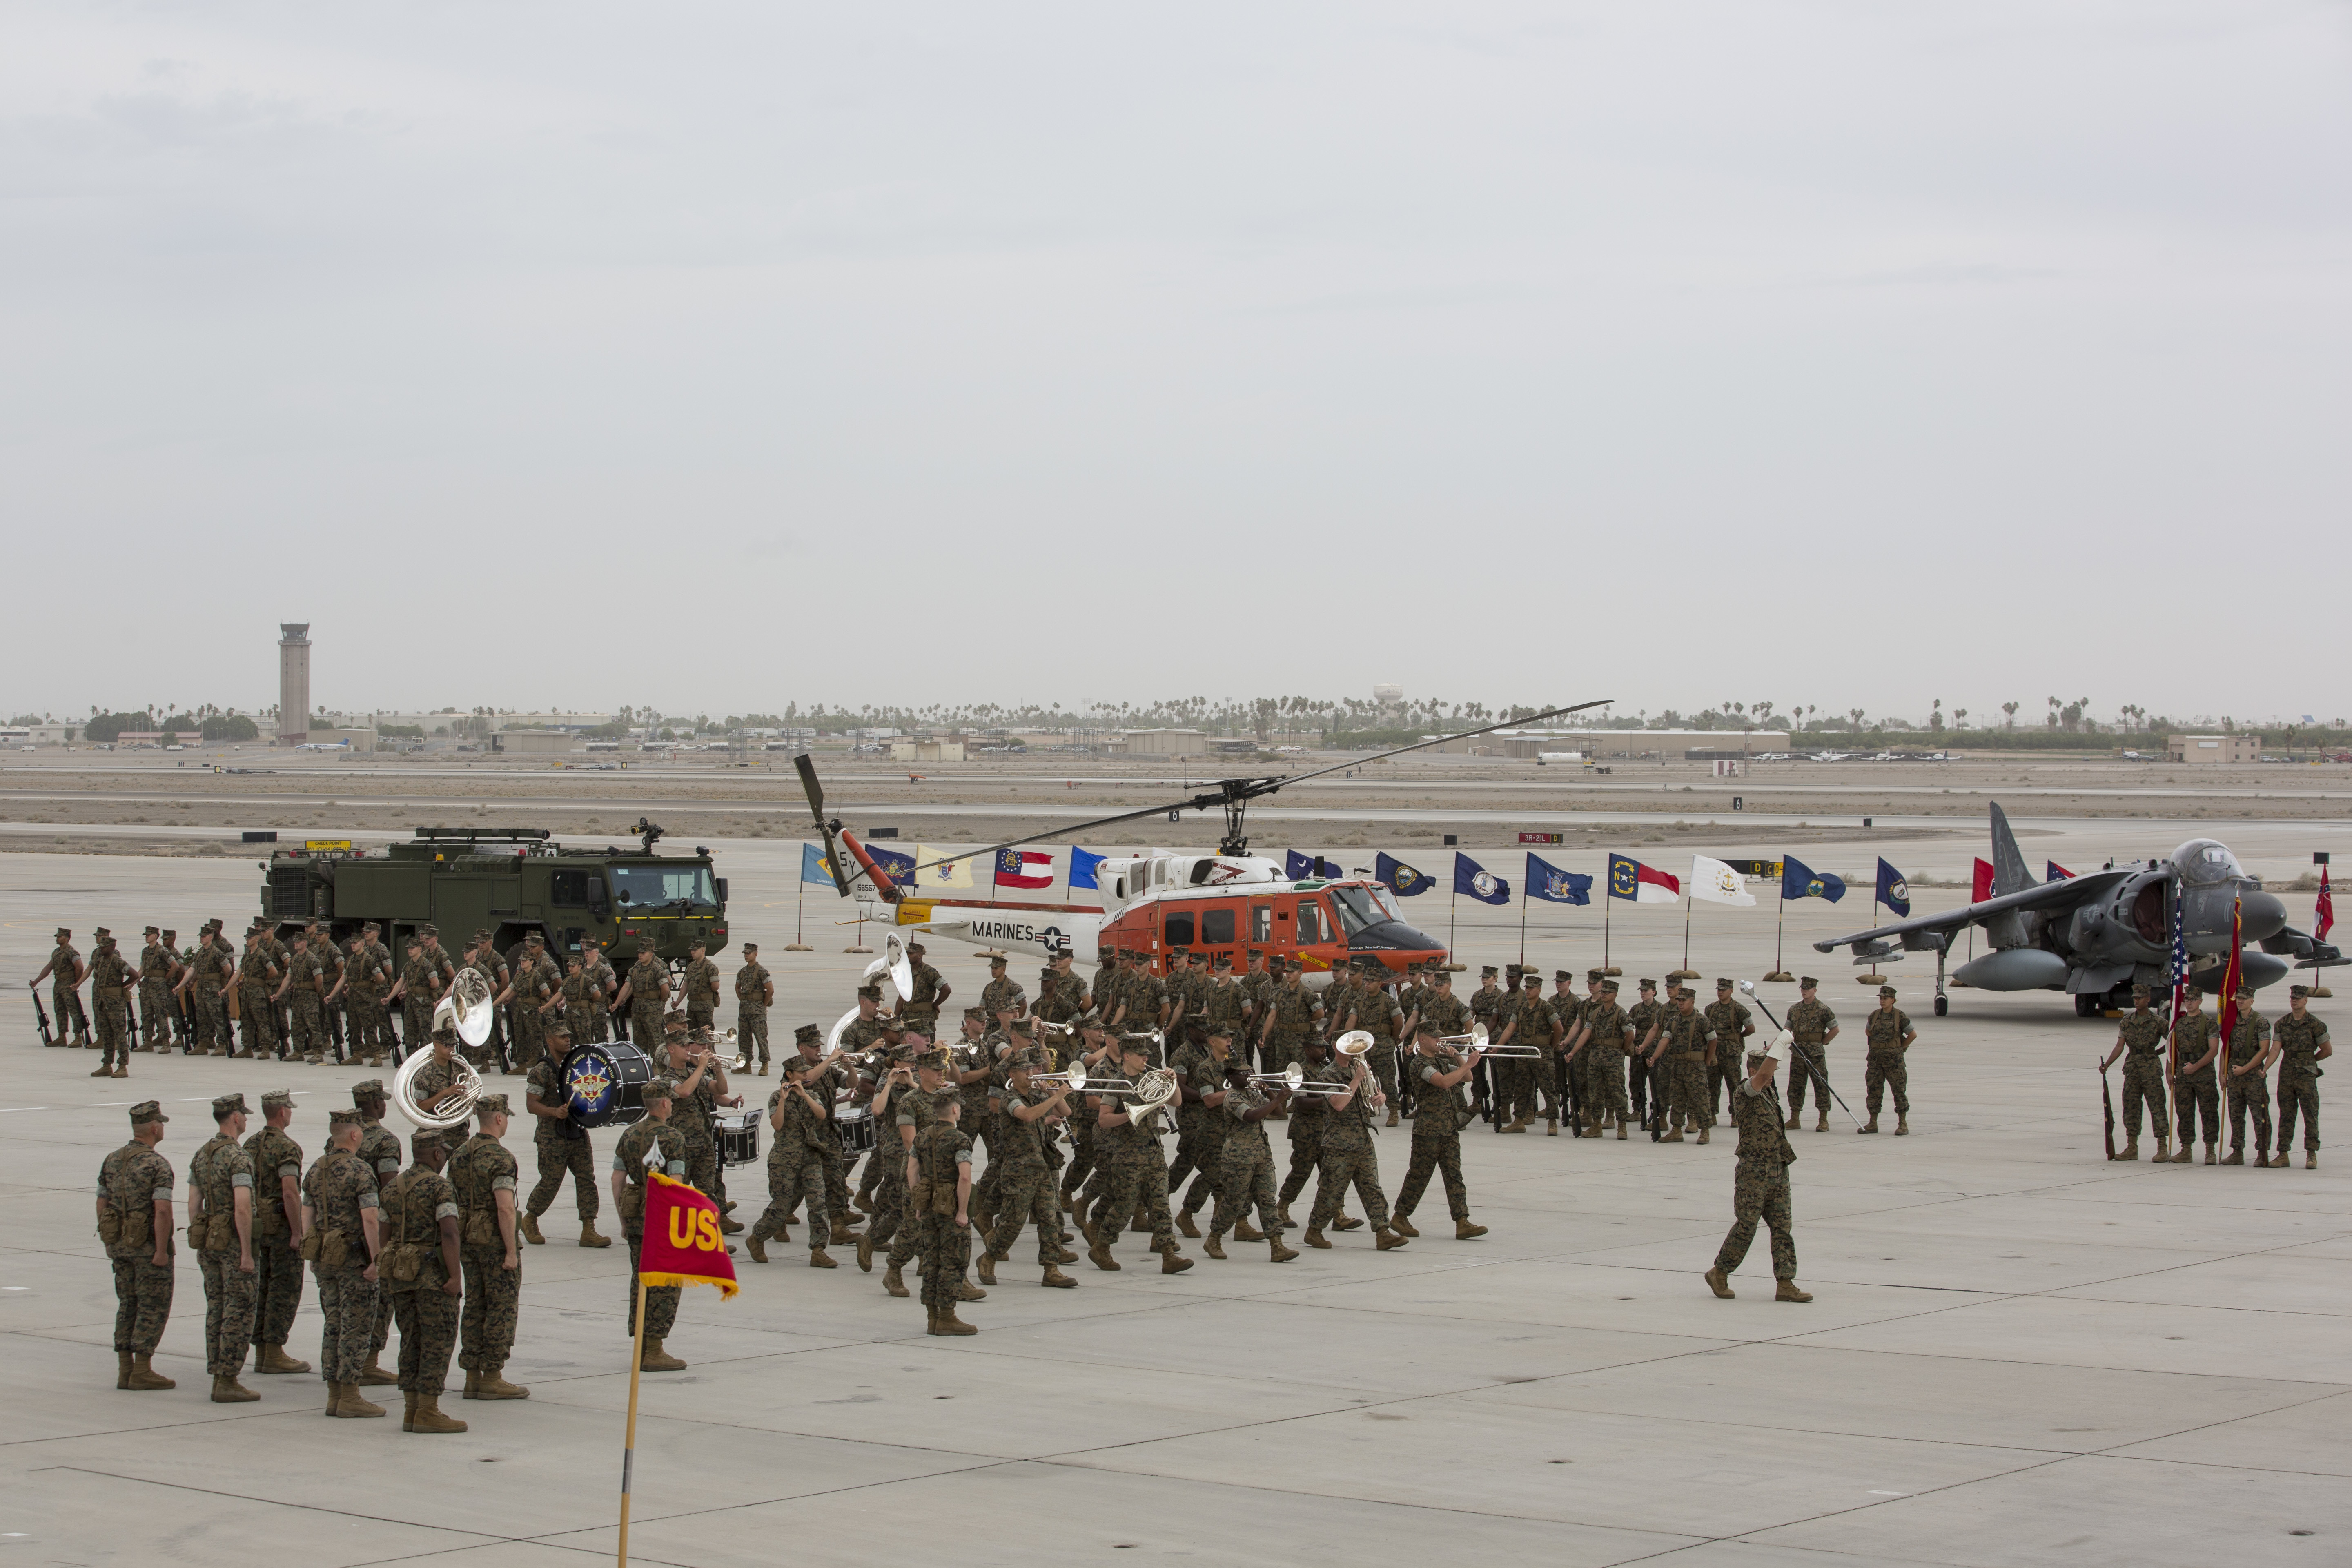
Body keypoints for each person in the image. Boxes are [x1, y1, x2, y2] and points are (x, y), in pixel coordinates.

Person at [1704, 1033, 1813, 1303]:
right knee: (1747, 1227)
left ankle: (1786, 1283)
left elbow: (1767, 1074)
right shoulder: (1747, 1091)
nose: (1772, 1074)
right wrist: (1779, 1047)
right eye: (1768, 1069)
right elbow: (1762, 1077)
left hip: (1777, 1168)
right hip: (1754, 1171)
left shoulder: (1769, 1091)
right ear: (1753, 1070)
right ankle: (1719, 1272)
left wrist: (1777, 1044)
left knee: (1782, 1227)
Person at [379, 1129, 467, 1432]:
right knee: (436, 1343)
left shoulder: (392, 1188)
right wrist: (455, 1275)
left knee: (410, 1341)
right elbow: (449, 1232)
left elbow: (384, 1232)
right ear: (438, 1154)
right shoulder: (440, 1188)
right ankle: (428, 1411)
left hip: (401, 1276)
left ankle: (411, 1409)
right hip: (433, 1279)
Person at [1085, 1037, 1193, 1274]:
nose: (1146, 1059)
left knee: (1161, 1205)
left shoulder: (1151, 1078)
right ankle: (1102, 1247)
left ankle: (1168, 1255)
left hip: (1154, 1152)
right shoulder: (1118, 1084)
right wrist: (1131, 1115)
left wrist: (1172, 1081)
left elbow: (1177, 1101)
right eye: (1141, 1055)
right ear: (1127, 1057)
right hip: (1127, 1156)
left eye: (1147, 1055)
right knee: (1124, 1206)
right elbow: (1104, 1120)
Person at [303, 1108, 385, 1417]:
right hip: (354, 1261)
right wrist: (376, 1261)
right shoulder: (360, 1170)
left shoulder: (316, 1168)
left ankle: (335, 1394)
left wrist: (311, 1250)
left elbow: (307, 1213)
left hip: (325, 1257)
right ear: (354, 1135)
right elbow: (371, 1219)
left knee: (333, 1324)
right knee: (357, 1327)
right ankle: (350, 1395)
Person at [449, 1094, 526, 1399]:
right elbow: (505, 1208)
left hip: (467, 1240)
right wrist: (511, 1251)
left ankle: (472, 1375)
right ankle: (492, 1374)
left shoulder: (458, 1155)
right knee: (501, 1307)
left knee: (475, 1304)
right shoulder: (500, 1158)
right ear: (498, 1118)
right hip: (494, 1242)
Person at [977, 1055, 1078, 1288]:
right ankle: (989, 1258)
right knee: (1013, 1222)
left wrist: (1053, 1094)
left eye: (1031, 1068)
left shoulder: (1035, 1094)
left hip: (1041, 1167)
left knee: (1049, 1219)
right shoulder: (1009, 1098)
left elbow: (1067, 1112)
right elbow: (1027, 1115)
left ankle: (1051, 1269)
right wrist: (1055, 1099)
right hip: (1019, 1170)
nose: (1030, 1073)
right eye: (1024, 1070)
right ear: (1012, 1075)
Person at [612, 1078, 691, 1371]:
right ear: (666, 1104)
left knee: (640, 1279)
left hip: (635, 1216)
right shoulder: (673, 1138)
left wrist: (623, 1219)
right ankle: (655, 1349)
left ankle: (641, 1345)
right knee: (666, 1282)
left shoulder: (629, 1135)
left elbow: (617, 1180)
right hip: (662, 1217)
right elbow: (676, 1183)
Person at [99, 1100, 177, 1390]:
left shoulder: (113, 1159)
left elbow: (102, 1201)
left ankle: (126, 1369)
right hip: (147, 1248)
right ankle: (142, 1369)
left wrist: (109, 1239)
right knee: (153, 1305)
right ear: (155, 1128)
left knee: (127, 1303)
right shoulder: (157, 1164)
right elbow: (162, 1210)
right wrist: (160, 1250)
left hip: (120, 1246)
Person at [187, 1092, 260, 1402]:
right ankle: (228, 1378)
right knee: (238, 1309)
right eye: (243, 1114)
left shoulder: (203, 1154)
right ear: (235, 1118)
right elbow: (242, 1208)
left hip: (210, 1243)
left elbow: (194, 1203)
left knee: (216, 1307)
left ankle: (218, 1372)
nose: (245, 1119)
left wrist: (202, 1235)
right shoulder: (238, 1157)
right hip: (233, 1243)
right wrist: (246, 1252)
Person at [1306, 1037, 1407, 1252]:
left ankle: (1383, 1231)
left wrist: (1380, 1097)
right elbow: (1339, 1104)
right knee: (1331, 1191)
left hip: (1362, 1137)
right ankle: (1314, 1230)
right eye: (1346, 1045)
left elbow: (1372, 1095)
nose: (1353, 1050)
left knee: (1372, 1187)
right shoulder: (1328, 1074)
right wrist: (1357, 1079)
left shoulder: (1359, 1069)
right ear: (1335, 1047)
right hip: (1339, 1143)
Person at [1390, 1023, 1489, 1241]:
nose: (1440, 1041)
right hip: (1428, 1130)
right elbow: (1443, 1083)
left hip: (1448, 1128)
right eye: (1435, 1038)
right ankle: (1400, 1216)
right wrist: (1469, 1064)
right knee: (1419, 1176)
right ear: (1423, 1039)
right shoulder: (1420, 1065)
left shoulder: (1440, 1062)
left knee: (1454, 1175)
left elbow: (1468, 1078)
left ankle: (1462, 1221)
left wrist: (1460, 1058)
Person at [521, 1022, 610, 1248]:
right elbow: (532, 1105)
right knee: (551, 1182)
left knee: (587, 1180)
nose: (567, 1040)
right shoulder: (542, 1070)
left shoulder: (578, 1065)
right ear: (550, 1041)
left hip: (577, 1132)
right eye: (561, 1037)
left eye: (568, 1036)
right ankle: (530, 1219)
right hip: (552, 1135)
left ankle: (588, 1229)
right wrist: (554, 1112)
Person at [243, 1089, 312, 1376]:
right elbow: (290, 1191)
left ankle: (262, 1350)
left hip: (257, 1226)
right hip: (280, 1228)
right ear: (283, 1112)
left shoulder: (249, 1143)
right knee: (284, 1289)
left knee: (262, 1288)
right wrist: (298, 1232)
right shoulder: (287, 1147)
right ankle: (273, 1351)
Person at [748, 1055, 839, 1268]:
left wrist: (804, 1094)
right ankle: (758, 1237)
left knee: (818, 1203)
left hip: (810, 1157)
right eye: (802, 1072)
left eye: (807, 1072)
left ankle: (818, 1250)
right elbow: (777, 1125)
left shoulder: (812, 1094)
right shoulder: (775, 1097)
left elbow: (822, 1115)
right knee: (781, 1206)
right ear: (790, 1074)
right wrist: (783, 1099)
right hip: (784, 1160)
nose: (806, 1075)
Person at [1207, 1062, 1298, 1263]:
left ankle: (1277, 1246)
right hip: (1238, 1158)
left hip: (1261, 1155)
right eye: (1244, 1073)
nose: (1249, 1075)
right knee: (1234, 1203)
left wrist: (1271, 1093)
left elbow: (1277, 1112)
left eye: (1251, 1072)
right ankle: (1214, 1239)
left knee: (1267, 1200)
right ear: (1232, 1077)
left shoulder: (1252, 1093)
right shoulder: (1233, 1097)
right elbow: (1251, 1117)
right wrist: (1277, 1099)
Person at [351, 1080, 407, 1387]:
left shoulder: (345, 1135)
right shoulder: (384, 1141)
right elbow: (388, 1186)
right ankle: (368, 1362)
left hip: (343, 1226)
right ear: (375, 1105)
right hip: (373, 1226)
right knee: (380, 1299)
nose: (385, 1105)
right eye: (382, 1101)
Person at [913, 1091, 978, 1335]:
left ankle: (933, 1318)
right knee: (954, 1262)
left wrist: (919, 1204)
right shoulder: (960, 1139)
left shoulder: (922, 1138)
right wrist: (962, 1211)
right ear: (954, 1110)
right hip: (950, 1208)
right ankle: (948, 1317)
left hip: (929, 1207)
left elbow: (912, 1171)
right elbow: (964, 1176)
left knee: (932, 1261)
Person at [2100, 985, 2168, 1159]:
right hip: (2132, 1068)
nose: (2136, 1000)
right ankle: (2132, 1147)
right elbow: (2120, 1046)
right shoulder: (2127, 1021)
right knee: (2131, 1107)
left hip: (2151, 1068)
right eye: (2135, 998)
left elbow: (2173, 1041)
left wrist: (2157, 1053)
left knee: (2157, 1106)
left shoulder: (2158, 1022)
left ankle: (2162, 1148)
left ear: (2148, 999)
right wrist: (2107, 1065)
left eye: (2140, 997)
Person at [1566, 979, 1635, 1138]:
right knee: (1595, 1093)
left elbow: (1630, 1036)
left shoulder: (1621, 1014)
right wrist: (1573, 1052)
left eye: (1607, 993)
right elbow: (1585, 1033)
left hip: (1614, 1060)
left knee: (1617, 1093)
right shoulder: (1595, 1014)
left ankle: (1622, 1126)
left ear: (1615, 995)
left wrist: (1621, 1050)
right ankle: (1597, 1125)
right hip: (1596, 1059)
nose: (1603, 995)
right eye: (1602, 992)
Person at [2273, 984, 2330, 1169]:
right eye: (2292, 998)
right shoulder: (2282, 1023)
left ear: (2306, 1000)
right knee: (2286, 1114)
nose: (2294, 1001)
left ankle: (2311, 1154)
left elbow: (2327, 1050)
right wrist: (2265, 1068)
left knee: (2310, 1114)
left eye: (2298, 998)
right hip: (2287, 1072)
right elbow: (2275, 1049)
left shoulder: (2315, 1024)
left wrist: (2310, 1062)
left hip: (2306, 1075)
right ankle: (2283, 1154)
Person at [1647, 987, 1715, 1143]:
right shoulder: (1674, 1021)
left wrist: (1708, 1060)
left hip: (1696, 1067)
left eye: (1684, 1001)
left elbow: (1713, 1040)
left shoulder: (1701, 1020)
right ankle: (1676, 1130)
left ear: (1692, 1002)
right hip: (1678, 1067)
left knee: (1700, 1099)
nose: (1681, 1004)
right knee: (1677, 1099)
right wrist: (1654, 1057)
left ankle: (1705, 1131)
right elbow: (1665, 1040)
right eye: (1679, 1001)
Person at [2169, 987, 2222, 1165]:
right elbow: (2174, 1049)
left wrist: (2196, 1067)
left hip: (2204, 1075)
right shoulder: (2180, 1023)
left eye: (2193, 999)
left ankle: (2210, 1150)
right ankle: (2186, 1149)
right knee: (2184, 1112)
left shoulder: (2209, 1023)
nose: (2189, 1003)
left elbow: (2214, 1050)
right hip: (2183, 1074)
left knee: (2208, 1112)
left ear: (2200, 1001)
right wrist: (2171, 1071)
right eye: (2187, 999)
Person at [2223, 993, 2276, 1166]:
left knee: (2260, 1116)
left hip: (2253, 1076)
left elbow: (2264, 1051)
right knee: (2236, 1115)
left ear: (2252, 1001)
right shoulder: (2230, 1020)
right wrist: (2222, 1073)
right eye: (2238, 998)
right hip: (2234, 1076)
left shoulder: (2260, 1022)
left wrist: (2245, 1069)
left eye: (2244, 998)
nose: (2240, 1001)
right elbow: (2226, 1048)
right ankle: (2237, 1151)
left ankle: (2263, 1152)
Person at [1782, 978, 1840, 1132]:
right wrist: (1775, 1044)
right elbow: (1787, 1030)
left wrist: (1822, 1042)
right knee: (1795, 1086)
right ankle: (1794, 1118)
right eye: (1803, 988)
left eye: (1808, 989)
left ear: (1815, 990)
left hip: (1816, 1055)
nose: (1804, 991)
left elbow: (1835, 1029)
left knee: (1821, 1086)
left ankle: (1823, 1120)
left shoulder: (1823, 1009)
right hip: (1799, 1053)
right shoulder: (1794, 1009)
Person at [1860, 984, 1918, 1137]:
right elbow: (1868, 1031)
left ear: (1893, 1000)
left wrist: (1900, 1048)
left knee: (1899, 1091)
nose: (1882, 1001)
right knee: (1873, 1091)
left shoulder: (1900, 1016)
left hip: (1894, 1062)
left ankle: (1902, 1123)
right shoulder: (1874, 1015)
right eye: (1881, 998)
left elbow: (1912, 1034)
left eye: (1885, 999)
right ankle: (1873, 1123)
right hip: (1876, 1060)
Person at [87, 929, 138, 1078]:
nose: (101, 949)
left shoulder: (117, 961)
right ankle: (107, 1065)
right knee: (107, 1035)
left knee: (119, 1034)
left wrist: (123, 987)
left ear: (111, 947)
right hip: (104, 1002)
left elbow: (134, 975)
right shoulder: (102, 960)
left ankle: (122, 1066)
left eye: (104, 947)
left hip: (115, 1003)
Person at [1704, 978, 1755, 1126]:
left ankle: (1735, 1115)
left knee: (1734, 1085)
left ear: (1731, 991)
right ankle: (1712, 1113)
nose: (1720, 992)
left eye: (1723, 990)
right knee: (1712, 1084)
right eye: (1719, 990)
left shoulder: (1739, 1009)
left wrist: (1738, 1037)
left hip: (1731, 1053)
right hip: (1714, 1051)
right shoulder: (1711, 1008)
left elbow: (1751, 1029)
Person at [32, 925, 90, 1049]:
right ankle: (62, 1037)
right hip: (58, 984)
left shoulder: (71, 952)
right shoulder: (57, 952)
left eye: (60, 937)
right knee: (60, 1011)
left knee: (74, 1011)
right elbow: (49, 967)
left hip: (68, 985)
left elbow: (80, 967)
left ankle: (78, 1038)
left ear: (67, 938)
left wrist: (76, 983)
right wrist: (37, 981)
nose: (57, 939)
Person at [1625, 978, 1665, 1131]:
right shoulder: (1636, 1009)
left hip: (1655, 1050)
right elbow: (1629, 1026)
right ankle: (1637, 1110)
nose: (1643, 994)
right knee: (1636, 1081)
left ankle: (1659, 1112)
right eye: (1641, 991)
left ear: (1653, 992)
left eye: (1646, 991)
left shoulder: (1661, 1009)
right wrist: (1633, 1046)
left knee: (1657, 1082)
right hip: (1639, 1049)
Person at [616, 940, 668, 1050]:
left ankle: (658, 1065)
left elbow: (666, 989)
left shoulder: (657, 969)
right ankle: (642, 1063)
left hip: (653, 1011)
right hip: (637, 1009)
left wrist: (659, 1001)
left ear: (651, 954)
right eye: (639, 953)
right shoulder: (635, 969)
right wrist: (617, 1003)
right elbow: (627, 986)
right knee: (638, 1040)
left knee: (656, 1039)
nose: (640, 955)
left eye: (643, 953)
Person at [734, 942, 773, 1072]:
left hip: (757, 1010)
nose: (746, 956)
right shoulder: (742, 972)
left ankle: (765, 1064)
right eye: (745, 953)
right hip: (744, 1009)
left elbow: (770, 990)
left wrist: (763, 1005)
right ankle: (746, 1065)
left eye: (748, 953)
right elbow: (737, 988)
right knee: (744, 1038)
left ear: (755, 954)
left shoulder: (762, 971)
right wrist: (745, 1001)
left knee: (761, 1037)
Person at [136, 926, 176, 1055]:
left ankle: (166, 1042)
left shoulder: (162, 951)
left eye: (149, 935)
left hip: (158, 987)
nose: (147, 937)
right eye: (146, 935)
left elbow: (175, 966)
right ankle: (148, 1042)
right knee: (146, 1015)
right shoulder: (145, 951)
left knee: (161, 1014)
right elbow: (142, 969)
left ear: (155, 936)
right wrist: (134, 982)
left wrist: (165, 979)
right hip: (147, 986)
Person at [902, 940, 950, 1035]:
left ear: (920, 955)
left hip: (924, 1020)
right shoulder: (907, 971)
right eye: (907, 953)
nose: (908, 956)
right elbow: (902, 996)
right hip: (908, 1018)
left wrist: (935, 1004)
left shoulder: (929, 972)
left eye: (911, 953)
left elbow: (947, 990)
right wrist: (896, 1017)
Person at [681, 938, 720, 1037]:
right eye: (692, 950)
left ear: (703, 951)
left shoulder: (710, 967)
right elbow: (686, 984)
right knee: (692, 1035)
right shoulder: (691, 966)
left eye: (695, 950)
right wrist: (678, 1002)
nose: (692, 952)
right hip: (692, 1006)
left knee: (706, 1035)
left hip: (705, 1007)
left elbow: (715, 986)